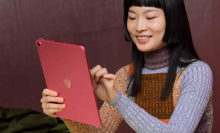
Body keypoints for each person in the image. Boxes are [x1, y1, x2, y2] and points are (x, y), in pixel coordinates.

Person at [40, 0, 213, 132]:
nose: (138, 27)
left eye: (150, 17)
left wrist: (117, 99)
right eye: (132, 17)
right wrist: (65, 108)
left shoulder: (196, 72)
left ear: (173, 19)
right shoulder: (126, 75)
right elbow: (101, 131)